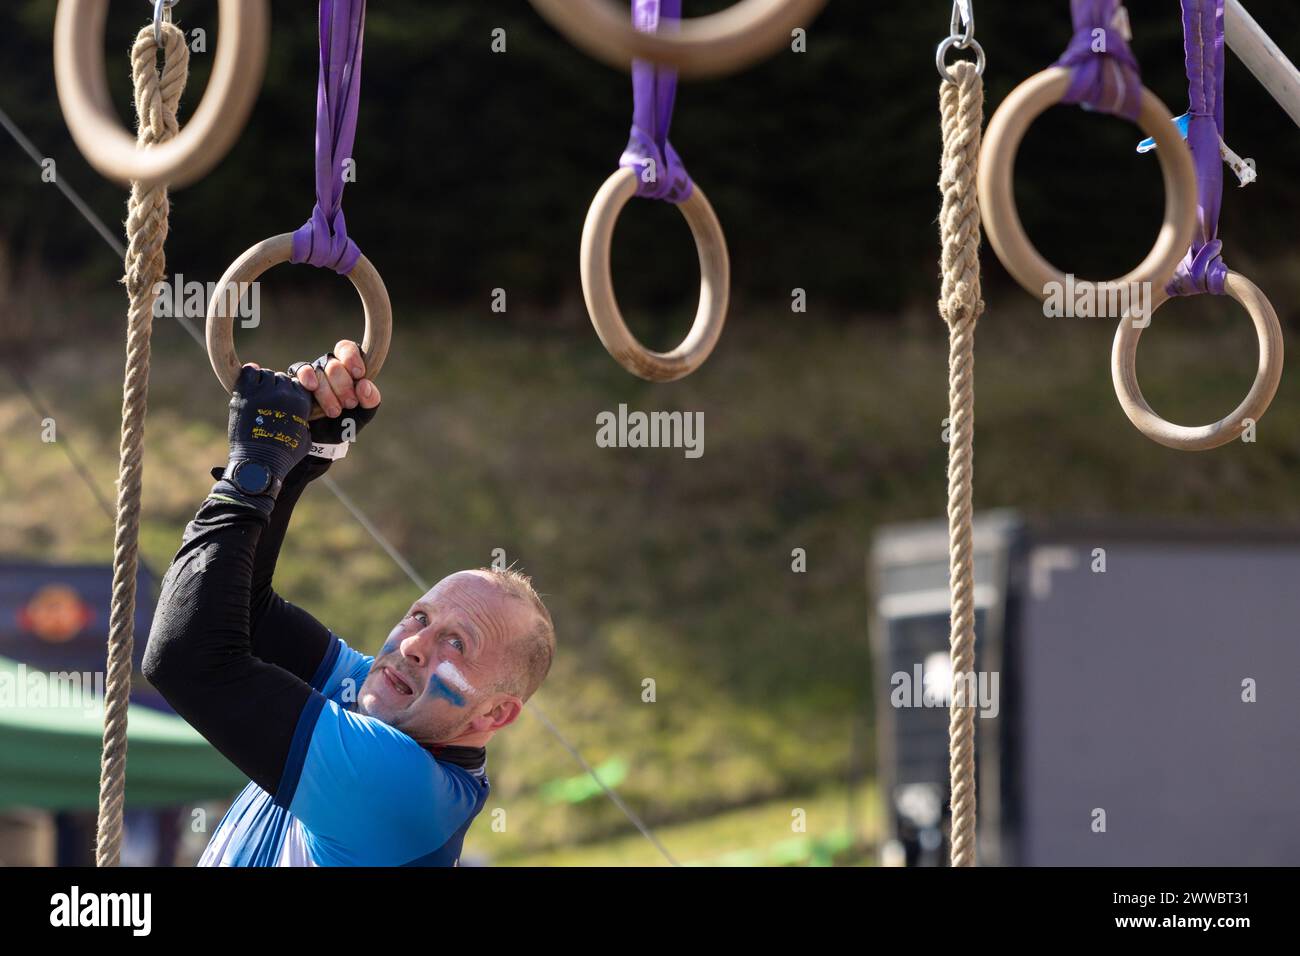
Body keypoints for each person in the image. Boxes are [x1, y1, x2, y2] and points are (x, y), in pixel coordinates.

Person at [143, 341, 556, 866]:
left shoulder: (401, 788)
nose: (413, 645)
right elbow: (244, 617)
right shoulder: (383, 699)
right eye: (420, 617)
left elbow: (185, 658)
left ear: (497, 713)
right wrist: (302, 458)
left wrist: (254, 470)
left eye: (456, 643)